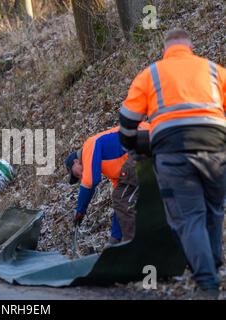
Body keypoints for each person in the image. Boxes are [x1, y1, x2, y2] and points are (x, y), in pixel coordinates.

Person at [119, 28, 225, 298]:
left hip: (174, 152)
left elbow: (128, 122)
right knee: (214, 210)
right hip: (216, 148)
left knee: (190, 217)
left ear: (165, 50)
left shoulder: (151, 74)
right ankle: (211, 262)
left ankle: (207, 283)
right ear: (190, 47)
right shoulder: (214, 70)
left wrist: (135, 148)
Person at [66, 123, 149, 246]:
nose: (81, 177)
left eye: (77, 174)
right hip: (143, 148)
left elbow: (90, 182)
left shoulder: (89, 145)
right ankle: (117, 242)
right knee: (122, 200)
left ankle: (129, 244)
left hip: (143, 138)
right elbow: (120, 200)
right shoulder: (111, 168)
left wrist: (80, 211)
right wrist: (114, 238)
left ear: (76, 161)